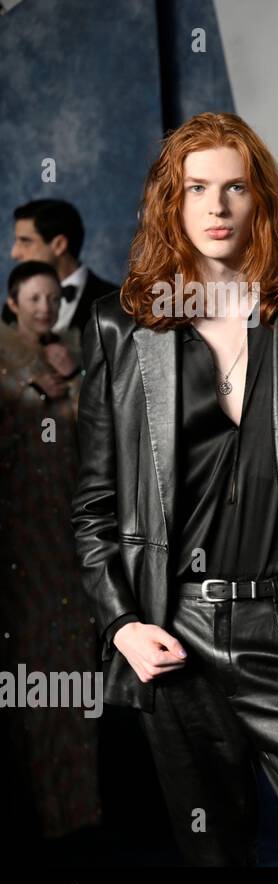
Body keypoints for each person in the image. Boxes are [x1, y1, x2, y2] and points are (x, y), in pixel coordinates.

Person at [71, 111, 278, 866]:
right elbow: (92, 506)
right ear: (171, 204)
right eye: (196, 188)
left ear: (259, 199)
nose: (216, 207)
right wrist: (120, 625)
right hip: (179, 633)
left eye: (234, 188)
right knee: (216, 857)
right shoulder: (122, 327)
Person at [0, 261, 100, 845]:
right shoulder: (4, 360)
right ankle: (41, 814)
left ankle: (79, 814)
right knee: (33, 675)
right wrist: (33, 395)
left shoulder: (73, 351)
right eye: (32, 297)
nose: (44, 306)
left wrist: (77, 379)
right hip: (20, 539)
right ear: (12, 303)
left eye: (51, 297)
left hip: (71, 533)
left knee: (76, 673)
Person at [8, 199, 117, 334]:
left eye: (25, 241)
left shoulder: (116, 303)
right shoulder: (15, 303)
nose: (14, 253)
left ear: (59, 245)